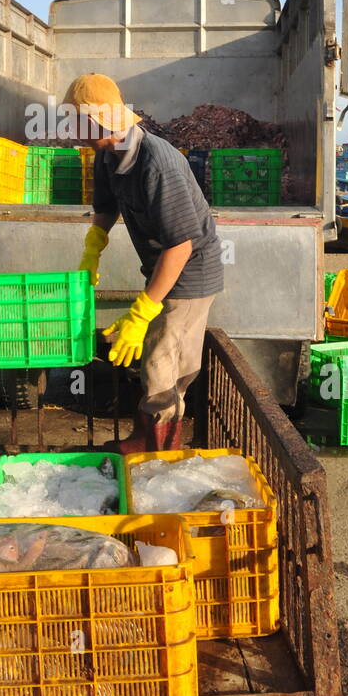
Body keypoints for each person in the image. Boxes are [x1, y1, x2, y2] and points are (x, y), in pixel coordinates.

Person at [63, 73, 224, 453]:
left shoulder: (157, 164)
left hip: (190, 272)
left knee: (160, 362)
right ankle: (146, 439)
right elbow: (105, 207)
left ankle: (159, 450)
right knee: (156, 356)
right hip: (162, 267)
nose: (72, 131)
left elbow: (180, 247)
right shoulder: (107, 154)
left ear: (100, 121)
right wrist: (92, 248)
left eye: (77, 122)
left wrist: (141, 313)